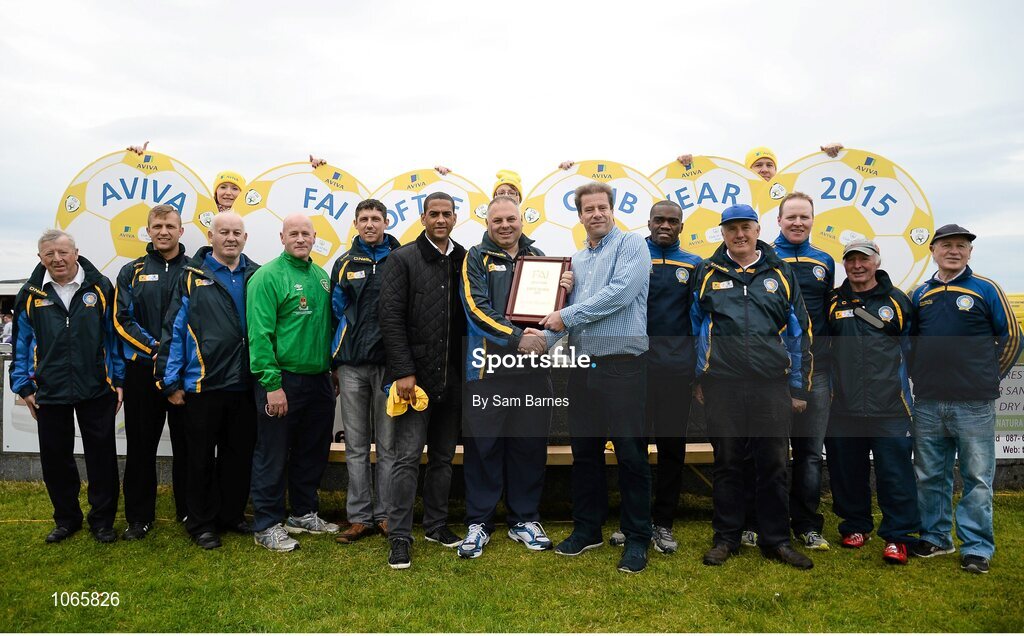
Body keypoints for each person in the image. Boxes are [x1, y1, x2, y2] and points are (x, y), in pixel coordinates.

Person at [535, 181, 653, 574]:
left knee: (631, 454)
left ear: (612, 209)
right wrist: (541, 339)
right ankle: (588, 529)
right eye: (589, 209)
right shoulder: (576, 261)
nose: (597, 213)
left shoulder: (633, 246)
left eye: (603, 207)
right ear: (580, 214)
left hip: (624, 365)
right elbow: (565, 313)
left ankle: (637, 537)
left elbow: (619, 294)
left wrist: (564, 317)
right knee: (584, 452)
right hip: (583, 366)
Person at [691, 204, 814, 570]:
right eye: (732, 229)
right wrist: (698, 378)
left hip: (770, 385)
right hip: (722, 386)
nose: (739, 234)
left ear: (758, 229)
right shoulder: (707, 272)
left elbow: (800, 333)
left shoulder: (781, 272)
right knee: (728, 463)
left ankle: (775, 540)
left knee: (774, 463)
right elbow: (693, 328)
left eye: (746, 227)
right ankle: (726, 537)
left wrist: (798, 388)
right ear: (723, 233)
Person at [456, 195, 572, 559]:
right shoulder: (475, 257)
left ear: (521, 221)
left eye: (511, 219)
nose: (505, 226)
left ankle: (524, 519)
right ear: (487, 225)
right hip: (488, 369)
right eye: (497, 221)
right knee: (484, 448)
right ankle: (479, 521)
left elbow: (555, 315)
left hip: (533, 370)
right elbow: (475, 309)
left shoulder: (540, 259)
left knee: (528, 445)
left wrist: (565, 290)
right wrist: (516, 338)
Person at [909, 224, 1022, 574]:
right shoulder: (919, 294)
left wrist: (987, 377)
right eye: (946, 246)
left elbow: (1013, 340)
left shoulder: (986, 289)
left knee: (977, 476)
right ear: (933, 251)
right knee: (929, 474)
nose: (954, 251)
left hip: (974, 403)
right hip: (928, 402)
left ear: (970, 253)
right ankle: (936, 538)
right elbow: (910, 345)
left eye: (961, 246)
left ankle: (976, 547)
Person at [9, 230, 124, 543]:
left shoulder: (100, 287)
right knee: (55, 459)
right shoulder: (30, 295)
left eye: (62, 252)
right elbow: (21, 343)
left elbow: (114, 337)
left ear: (76, 253)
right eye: (49, 254)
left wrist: (119, 380)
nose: (57, 259)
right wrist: (23, 386)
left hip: (97, 387)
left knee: (101, 457)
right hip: (49, 391)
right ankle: (67, 519)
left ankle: (102, 522)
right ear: (40, 258)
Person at [155, 212, 259, 550]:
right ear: (210, 236)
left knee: (238, 456)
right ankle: (200, 523)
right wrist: (170, 382)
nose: (231, 237)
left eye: (237, 232)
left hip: (245, 383)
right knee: (199, 459)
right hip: (202, 384)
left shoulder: (257, 275)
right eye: (224, 232)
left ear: (245, 238)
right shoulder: (190, 277)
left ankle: (230, 515)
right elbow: (172, 330)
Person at [378, 191, 467, 569]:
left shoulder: (465, 259)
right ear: (422, 216)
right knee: (406, 459)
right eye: (434, 214)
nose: (440, 220)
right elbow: (391, 319)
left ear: (455, 217)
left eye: (447, 214)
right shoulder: (402, 259)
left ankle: (436, 525)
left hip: (455, 378)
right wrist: (403, 371)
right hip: (415, 381)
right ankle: (400, 535)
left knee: (444, 459)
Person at [247, 213, 339, 552]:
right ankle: (267, 524)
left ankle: (302, 513)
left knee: (311, 452)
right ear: (282, 237)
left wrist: (331, 371)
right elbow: (259, 336)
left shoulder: (320, 276)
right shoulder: (267, 277)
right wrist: (272, 384)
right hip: (281, 380)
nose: (300, 239)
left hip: (319, 381)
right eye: (293, 233)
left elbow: (328, 329)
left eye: (306, 233)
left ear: (315, 237)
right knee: (272, 454)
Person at [825, 238, 921, 565]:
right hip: (844, 407)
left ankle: (898, 537)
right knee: (846, 472)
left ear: (876, 261)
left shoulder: (897, 301)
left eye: (863, 259)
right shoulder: (834, 301)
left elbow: (914, 349)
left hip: (890, 406)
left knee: (895, 474)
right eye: (851, 260)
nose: (857, 266)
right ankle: (855, 526)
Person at [114, 203, 190, 539]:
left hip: (183, 375)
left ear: (181, 230)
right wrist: (157, 348)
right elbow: (121, 319)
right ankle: (139, 517)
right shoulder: (131, 271)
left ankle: (189, 512)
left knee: (189, 447)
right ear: (148, 230)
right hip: (143, 372)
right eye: (157, 226)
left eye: (170, 226)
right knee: (141, 447)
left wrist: (175, 356)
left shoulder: (195, 270)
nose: (163, 232)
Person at [330, 199, 401, 544]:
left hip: (389, 366)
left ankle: (387, 516)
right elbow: (334, 314)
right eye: (364, 219)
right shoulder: (343, 264)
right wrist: (334, 363)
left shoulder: (401, 259)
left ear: (386, 221)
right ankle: (359, 518)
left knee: (388, 445)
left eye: (376, 218)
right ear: (355, 224)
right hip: (352, 365)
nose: (370, 224)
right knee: (356, 445)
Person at [635, 200, 702, 554]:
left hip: (676, 371)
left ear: (681, 225)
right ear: (649, 222)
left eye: (672, 221)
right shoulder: (632, 257)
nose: (665, 225)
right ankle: (636, 521)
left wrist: (697, 371)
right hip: (635, 368)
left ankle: (664, 523)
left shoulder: (693, 264)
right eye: (659, 219)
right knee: (635, 446)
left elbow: (699, 319)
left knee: (671, 448)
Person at [771, 192, 835, 551]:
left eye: (804, 217)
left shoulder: (824, 260)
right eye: (791, 217)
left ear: (812, 220)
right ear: (778, 221)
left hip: (818, 371)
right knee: (772, 452)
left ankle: (808, 525)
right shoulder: (766, 256)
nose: (798, 223)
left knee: (810, 453)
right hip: (774, 372)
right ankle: (769, 520)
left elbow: (826, 314)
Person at [128, 142, 244, 212]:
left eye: (234, 188)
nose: (228, 192)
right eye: (223, 187)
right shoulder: (197, 210)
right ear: (215, 191)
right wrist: (141, 161)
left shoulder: (249, 219)